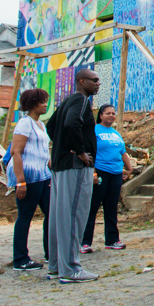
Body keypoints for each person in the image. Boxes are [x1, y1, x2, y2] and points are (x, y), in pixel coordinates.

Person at [46, 68, 100, 283]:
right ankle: (71, 270)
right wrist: (79, 152)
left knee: (59, 217)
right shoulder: (82, 101)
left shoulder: (67, 101)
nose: (98, 84)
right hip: (75, 168)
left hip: (61, 166)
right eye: (94, 80)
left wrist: (60, 146)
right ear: (82, 81)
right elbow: (70, 124)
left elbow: (51, 126)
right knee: (73, 216)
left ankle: (56, 267)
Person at [9, 88, 52, 271]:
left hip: (43, 176)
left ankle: (51, 252)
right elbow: (15, 152)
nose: (45, 105)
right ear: (33, 103)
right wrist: (21, 181)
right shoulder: (24, 124)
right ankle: (20, 259)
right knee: (25, 216)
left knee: (51, 213)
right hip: (29, 176)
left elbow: (43, 150)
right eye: (42, 101)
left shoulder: (41, 125)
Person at [81, 104, 133, 253]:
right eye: (108, 113)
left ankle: (112, 240)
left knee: (111, 208)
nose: (111, 115)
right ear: (101, 116)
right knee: (92, 207)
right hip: (101, 172)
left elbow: (122, 151)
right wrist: (93, 173)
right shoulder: (94, 131)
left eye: (113, 113)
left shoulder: (115, 133)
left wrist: (129, 168)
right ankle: (84, 242)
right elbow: (89, 152)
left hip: (116, 174)